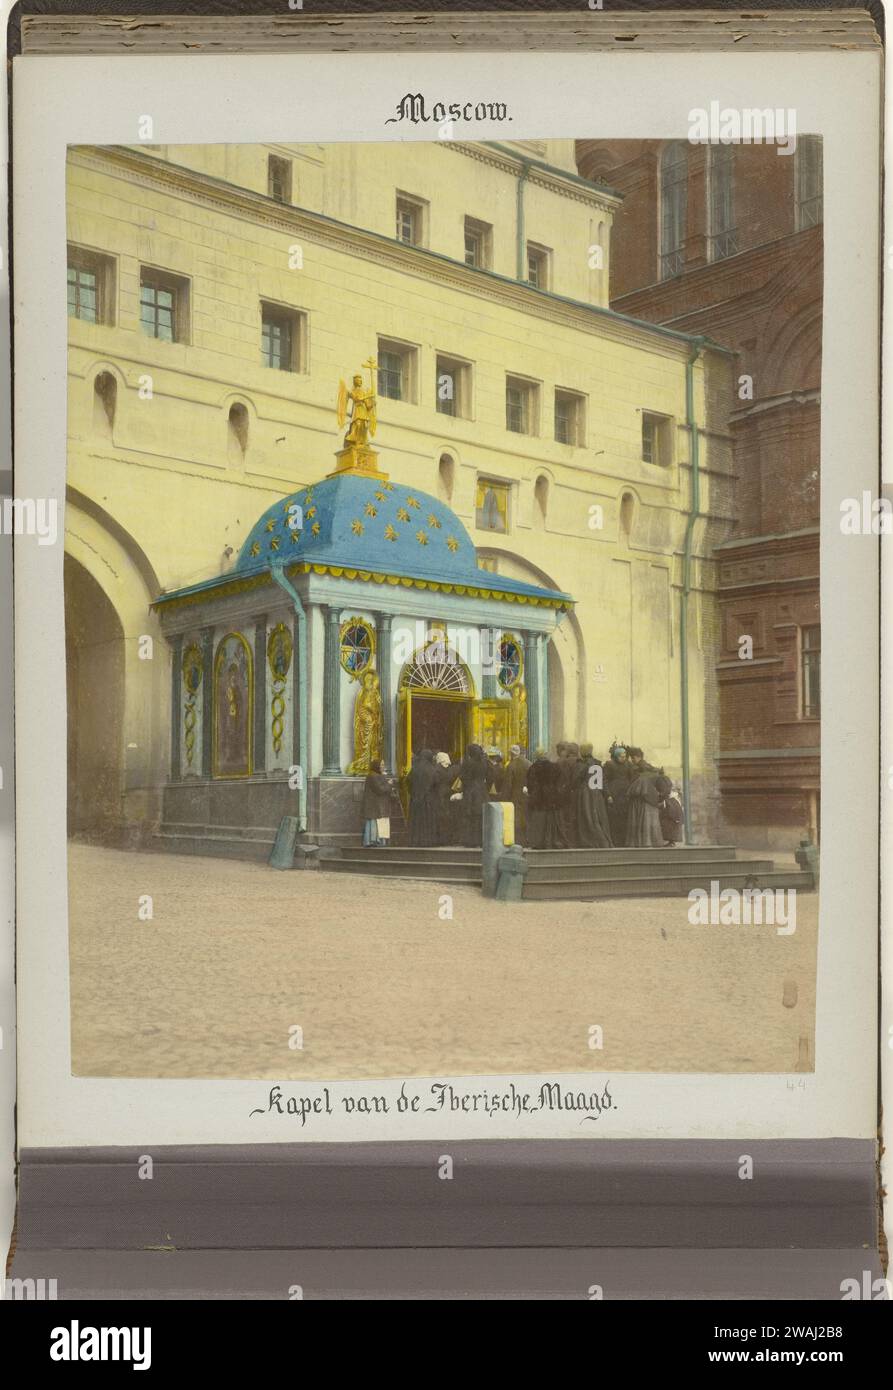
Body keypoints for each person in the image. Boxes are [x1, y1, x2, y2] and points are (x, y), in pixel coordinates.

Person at [575, 742, 613, 848]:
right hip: (597, 794)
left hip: (585, 794)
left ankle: (591, 841)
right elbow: (603, 781)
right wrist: (608, 795)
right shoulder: (597, 763)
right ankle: (604, 841)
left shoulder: (581, 764)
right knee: (599, 818)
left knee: (587, 818)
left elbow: (576, 779)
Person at [526, 748, 561, 849]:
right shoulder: (554, 766)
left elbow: (530, 784)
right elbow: (558, 781)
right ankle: (549, 842)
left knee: (538, 820)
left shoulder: (533, 767)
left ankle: (537, 843)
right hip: (551, 796)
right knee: (550, 820)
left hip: (538, 797)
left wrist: (532, 793)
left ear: (537, 756)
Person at [626, 766, 665, 847]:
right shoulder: (652, 778)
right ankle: (648, 842)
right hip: (647, 803)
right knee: (648, 821)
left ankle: (640, 842)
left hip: (640, 802)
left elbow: (634, 792)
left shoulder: (640, 778)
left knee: (641, 821)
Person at [407, 748, 437, 847]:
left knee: (417, 821)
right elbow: (436, 784)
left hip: (416, 798)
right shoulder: (432, 768)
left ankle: (415, 841)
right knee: (428, 820)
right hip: (429, 799)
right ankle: (427, 841)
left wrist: (413, 792)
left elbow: (408, 781)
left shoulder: (415, 768)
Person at [603, 743, 632, 848]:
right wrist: (608, 795)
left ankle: (624, 841)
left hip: (625, 795)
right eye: (621, 757)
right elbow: (604, 781)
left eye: (625, 757)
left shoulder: (628, 765)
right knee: (614, 819)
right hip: (614, 794)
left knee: (625, 818)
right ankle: (615, 841)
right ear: (616, 756)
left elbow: (632, 778)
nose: (623, 758)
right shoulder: (609, 765)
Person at [502, 743, 531, 845]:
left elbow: (508, 784)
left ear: (511, 754)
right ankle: (527, 839)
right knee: (526, 816)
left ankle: (518, 840)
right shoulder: (528, 763)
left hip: (514, 795)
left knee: (516, 818)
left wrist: (505, 798)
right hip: (526, 794)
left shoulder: (511, 765)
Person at [361, 759, 393, 846]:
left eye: (383, 765)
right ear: (376, 766)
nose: (383, 767)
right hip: (375, 805)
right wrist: (389, 784)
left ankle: (376, 840)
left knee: (378, 822)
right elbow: (380, 789)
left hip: (377, 805)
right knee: (375, 822)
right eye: (381, 765)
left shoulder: (375, 775)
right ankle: (373, 840)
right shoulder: (373, 776)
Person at [432, 750, 461, 845]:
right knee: (446, 817)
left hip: (439, 794)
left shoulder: (436, 769)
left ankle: (441, 839)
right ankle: (446, 839)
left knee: (440, 817)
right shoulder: (450, 769)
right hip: (446, 794)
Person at [555, 741, 579, 848]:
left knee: (564, 818)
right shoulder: (578, 761)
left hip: (562, 793)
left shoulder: (560, 762)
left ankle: (565, 841)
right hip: (574, 793)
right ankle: (573, 841)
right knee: (572, 817)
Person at [660, 779, 685, 846]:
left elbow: (672, 810)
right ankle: (671, 842)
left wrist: (675, 818)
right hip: (674, 818)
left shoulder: (672, 800)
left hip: (673, 818)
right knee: (671, 830)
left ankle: (672, 842)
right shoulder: (675, 800)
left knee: (670, 829)